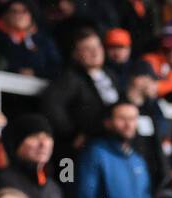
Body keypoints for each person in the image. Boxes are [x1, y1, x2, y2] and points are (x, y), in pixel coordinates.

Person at [40, 27, 121, 166]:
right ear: (76, 54)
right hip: (75, 153)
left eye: (97, 46)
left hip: (110, 148)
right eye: (87, 48)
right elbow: (51, 104)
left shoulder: (111, 76)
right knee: (69, 180)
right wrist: (73, 134)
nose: (95, 52)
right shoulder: (69, 78)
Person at [0, 0, 62, 79]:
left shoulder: (43, 41)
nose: (18, 15)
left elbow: (56, 68)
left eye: (24, 11)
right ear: (5, 15)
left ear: (31, 15)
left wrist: (35, 72)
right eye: (13, 11)